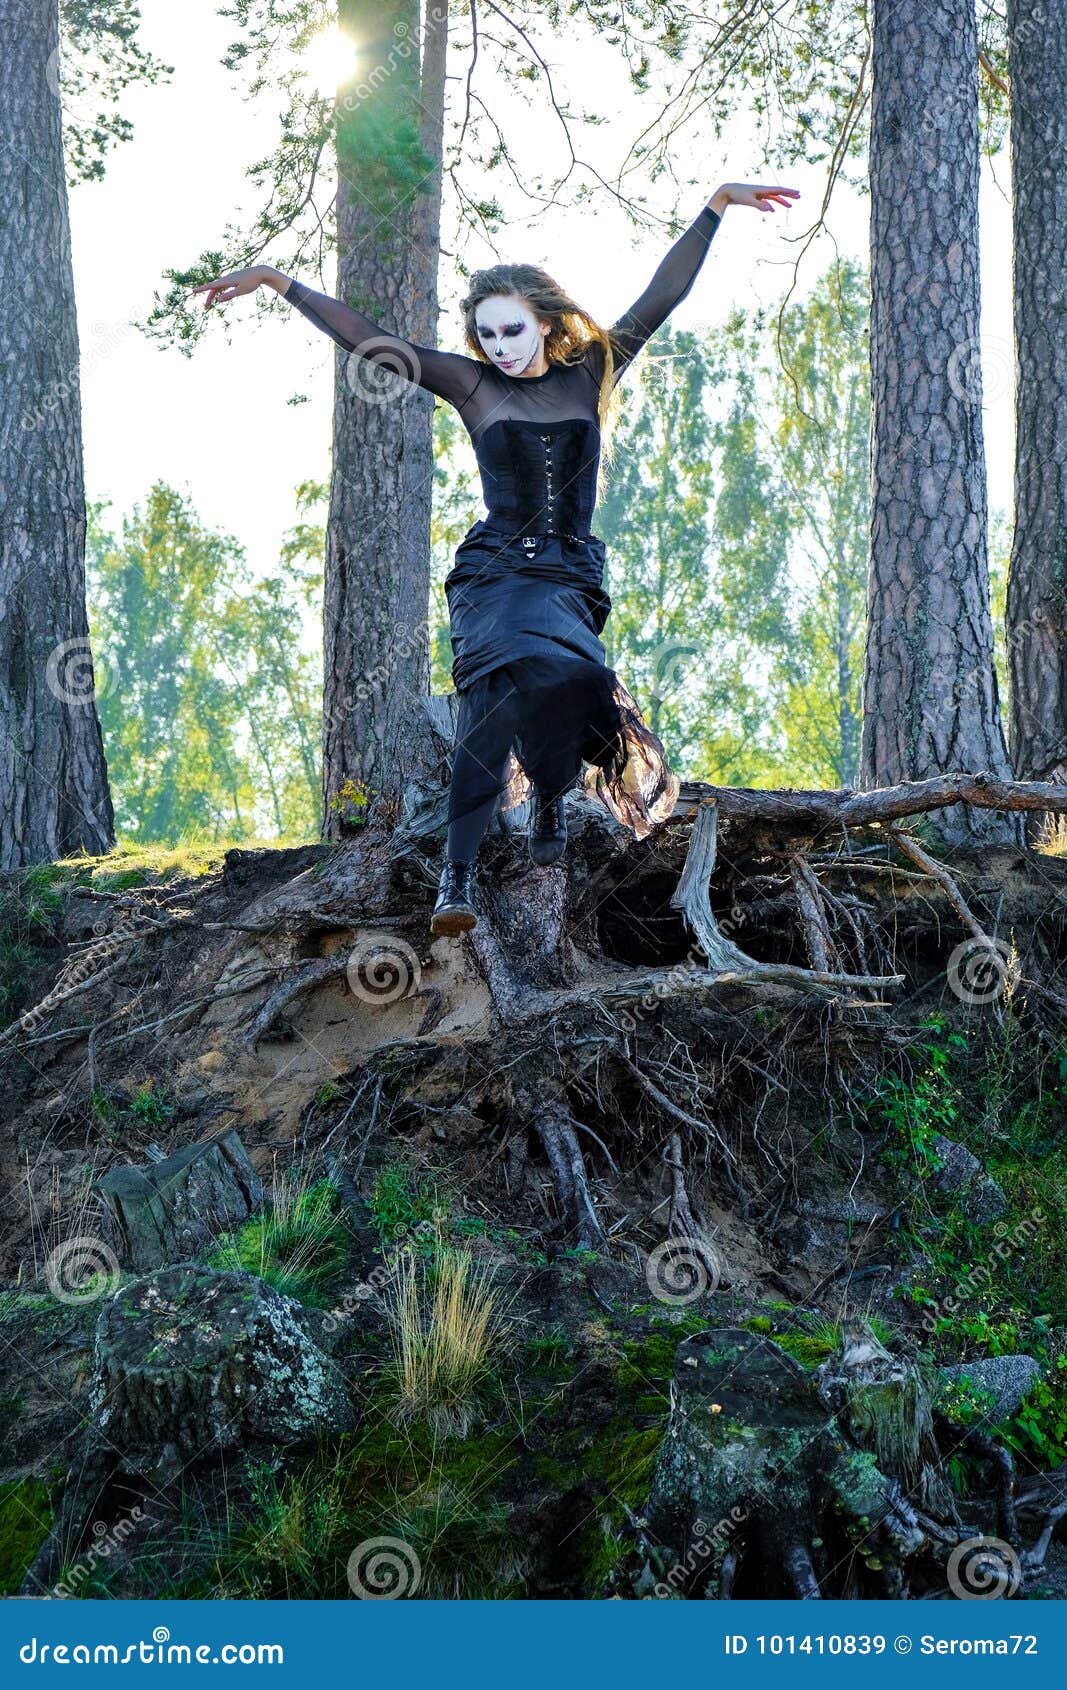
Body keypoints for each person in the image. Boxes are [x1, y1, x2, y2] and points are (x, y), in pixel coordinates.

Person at [194, 180, 799, 937]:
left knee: (579, 678)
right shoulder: (471, 385)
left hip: (569, 573)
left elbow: (661, 294)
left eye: (512, 331)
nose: (501, 349)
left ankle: (549, 793)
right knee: (488, 707)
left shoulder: (591, 372)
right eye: (487, 337)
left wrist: (714, 207)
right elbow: (374, 342)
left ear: (545, 325)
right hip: (495, 574)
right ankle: (456, 879)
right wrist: (280, 283)